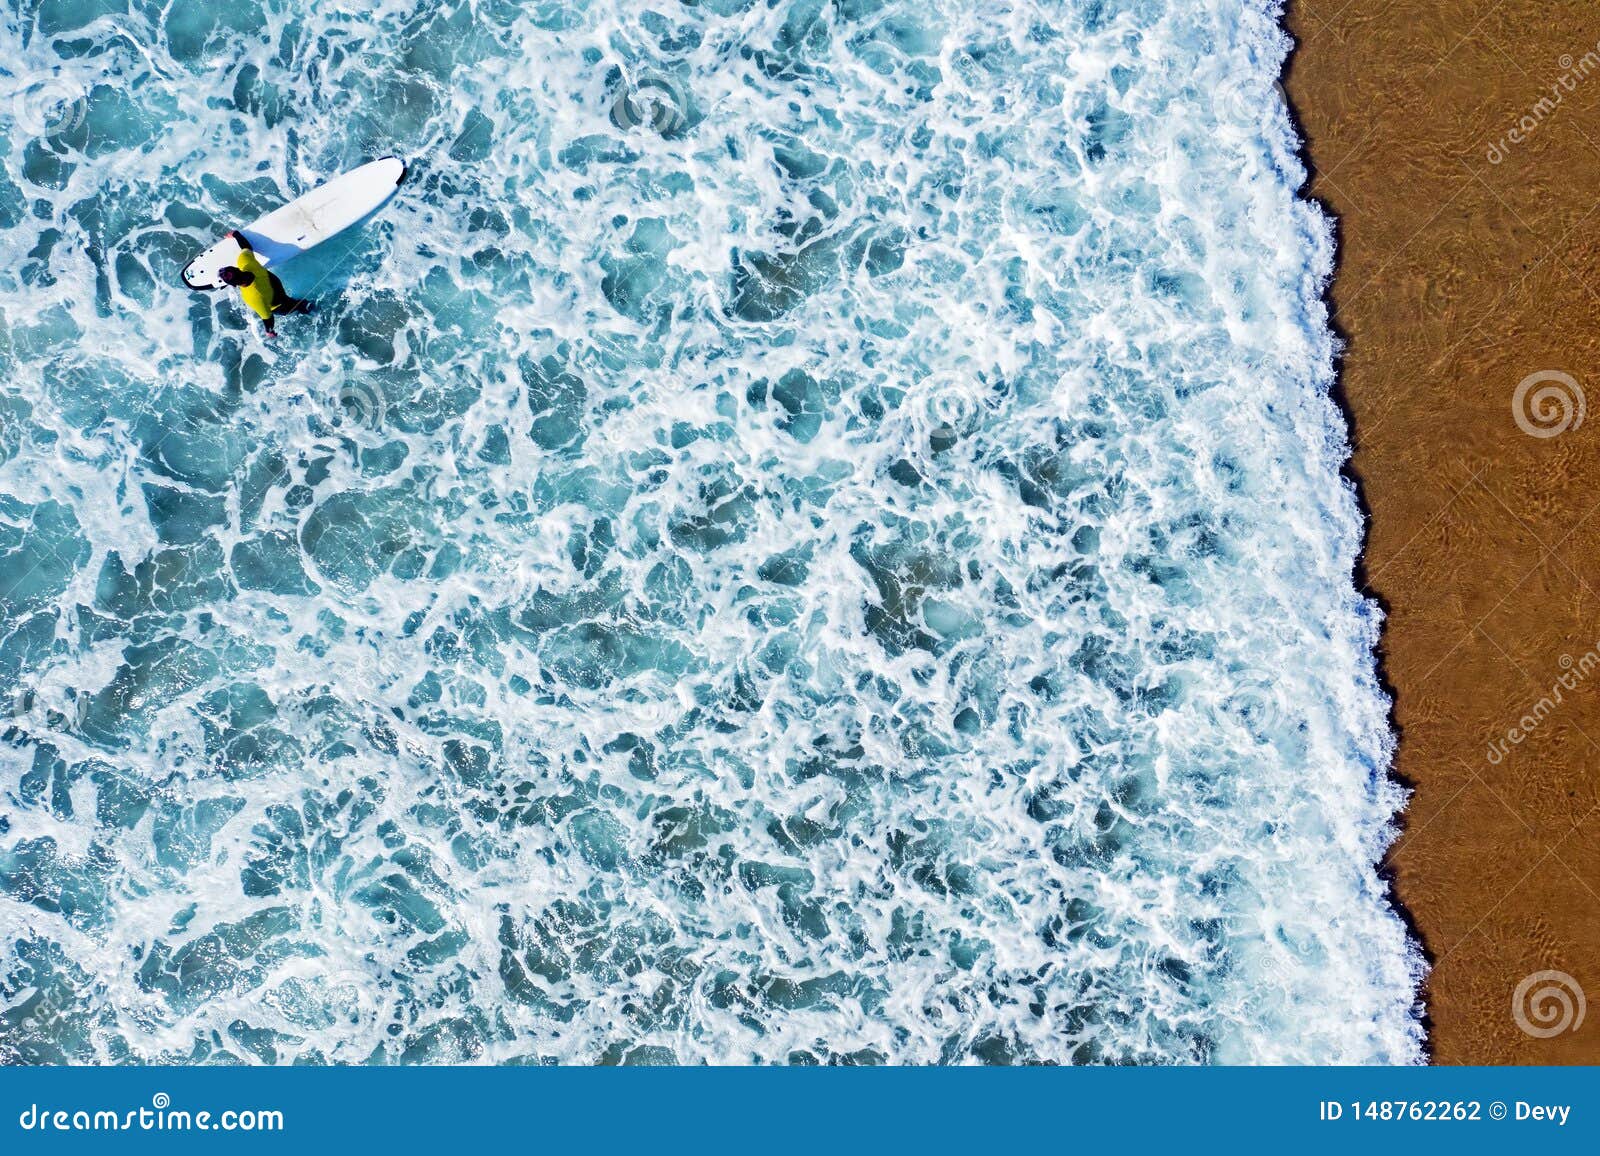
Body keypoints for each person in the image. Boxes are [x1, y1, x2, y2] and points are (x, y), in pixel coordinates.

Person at [216, 230, 312, 338]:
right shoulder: (245, 263)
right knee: (303, 305)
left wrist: (269, 331)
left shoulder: (253, 297)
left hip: (277, 297)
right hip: (277, 294)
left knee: (302, 306)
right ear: (238, 268)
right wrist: (236, 234)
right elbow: (246, 247)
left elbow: (268, 317)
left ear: (234, 285)